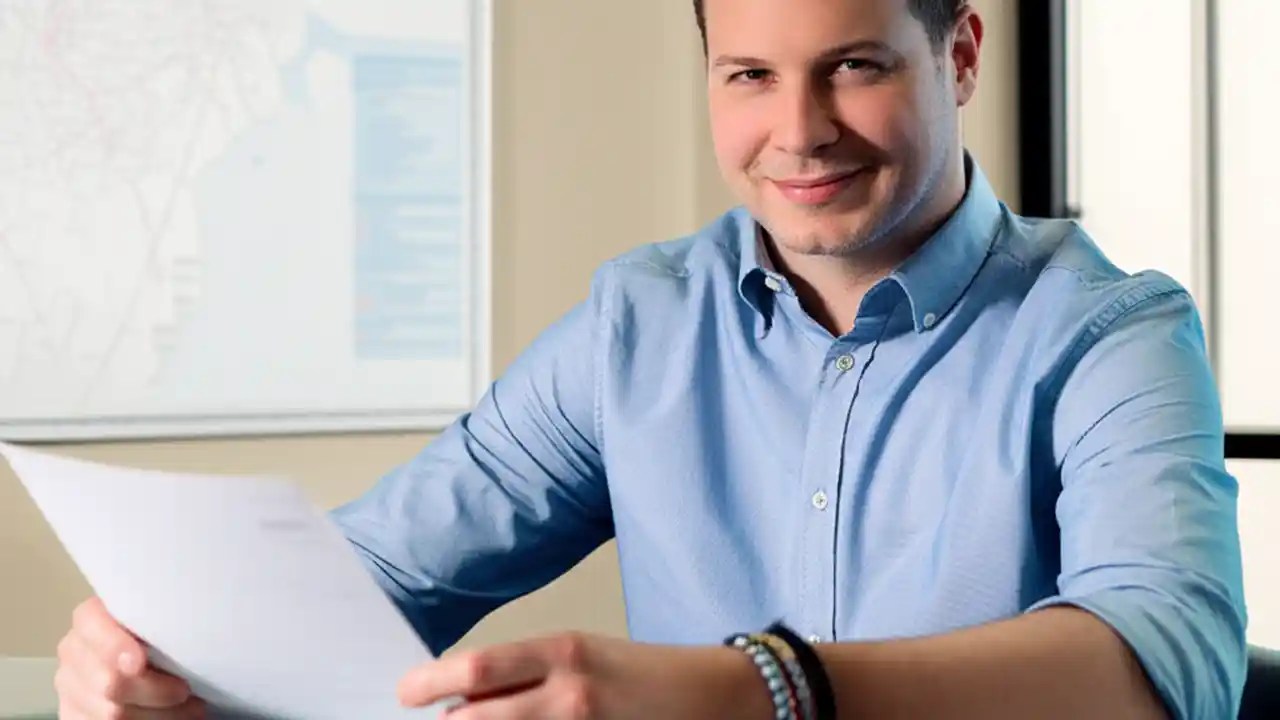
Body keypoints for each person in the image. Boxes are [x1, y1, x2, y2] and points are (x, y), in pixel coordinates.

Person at [52, 0, 1247, 718]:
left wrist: (755, 691)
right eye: (748, 76)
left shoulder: (1110, 332)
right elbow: (368, 582)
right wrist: (164, 654)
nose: (797, 130)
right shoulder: (639, 325)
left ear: (963, 55)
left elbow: (1171, 659)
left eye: (854, 64)